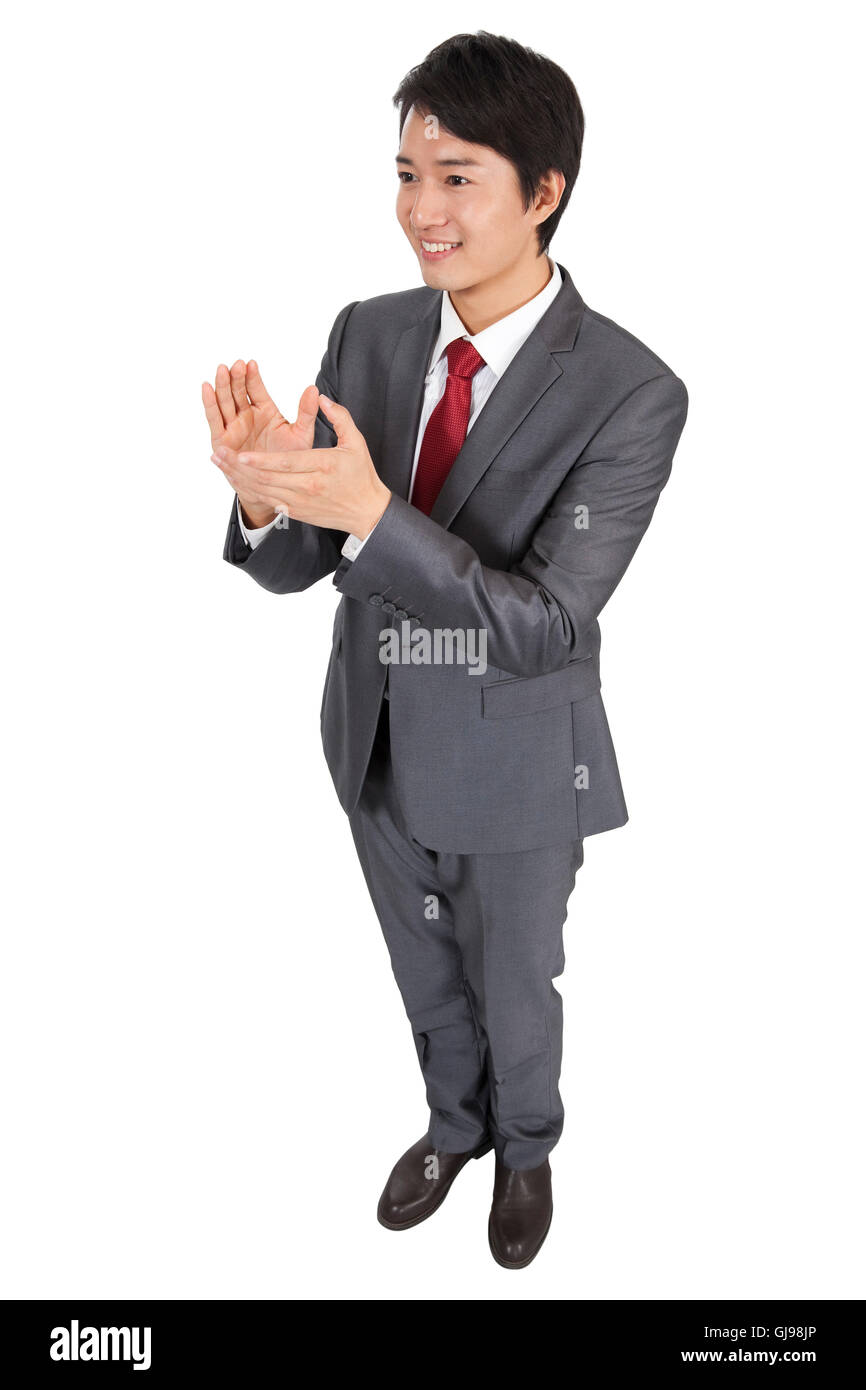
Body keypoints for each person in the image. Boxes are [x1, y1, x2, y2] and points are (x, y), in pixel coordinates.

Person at [203, 31, 688, 1269]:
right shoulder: (367, 332)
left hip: (519, 757)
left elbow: (547, 623)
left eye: (456, 175)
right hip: (369, 731)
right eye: (405, 173)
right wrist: (268, 495)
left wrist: (367, 509)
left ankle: (524, 1147)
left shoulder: (630, 392)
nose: (421, 208)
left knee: (513, 982)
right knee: (420, 962)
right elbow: (312, 561)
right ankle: (450, 1124)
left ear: (542, 193)